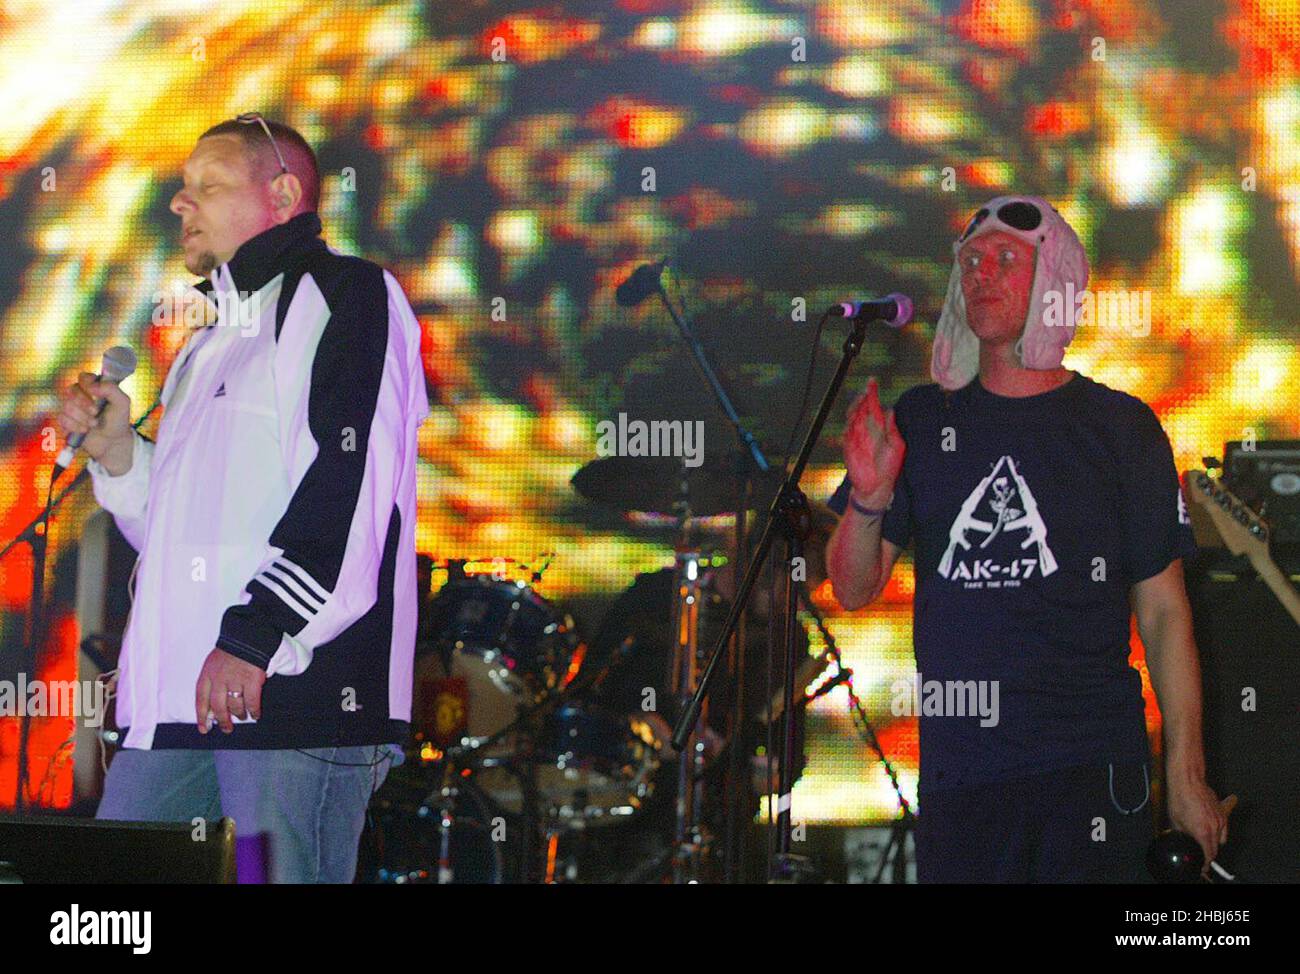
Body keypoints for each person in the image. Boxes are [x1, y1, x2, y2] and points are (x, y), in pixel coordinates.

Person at [56, 115, 429, 882]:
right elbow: (177, 530)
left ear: (283, 193)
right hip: (175, 704)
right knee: (110, 911)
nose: (179, 205)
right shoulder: (207, 339)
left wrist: (259, 634)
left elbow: (349, 484)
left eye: (208, 186)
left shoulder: (349, 295)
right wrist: (120, 453)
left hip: (292, 691)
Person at [825, 195, 1230, 883]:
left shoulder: (1119, 428)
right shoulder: (922, 420)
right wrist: (868, 498)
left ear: (1056, 280)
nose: (983, 273)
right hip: (962, 780)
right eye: (973, 262)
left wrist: (1186, 775)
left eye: (1006, 260)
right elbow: (853, 587)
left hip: (1089, 769)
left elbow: (1164, 615)